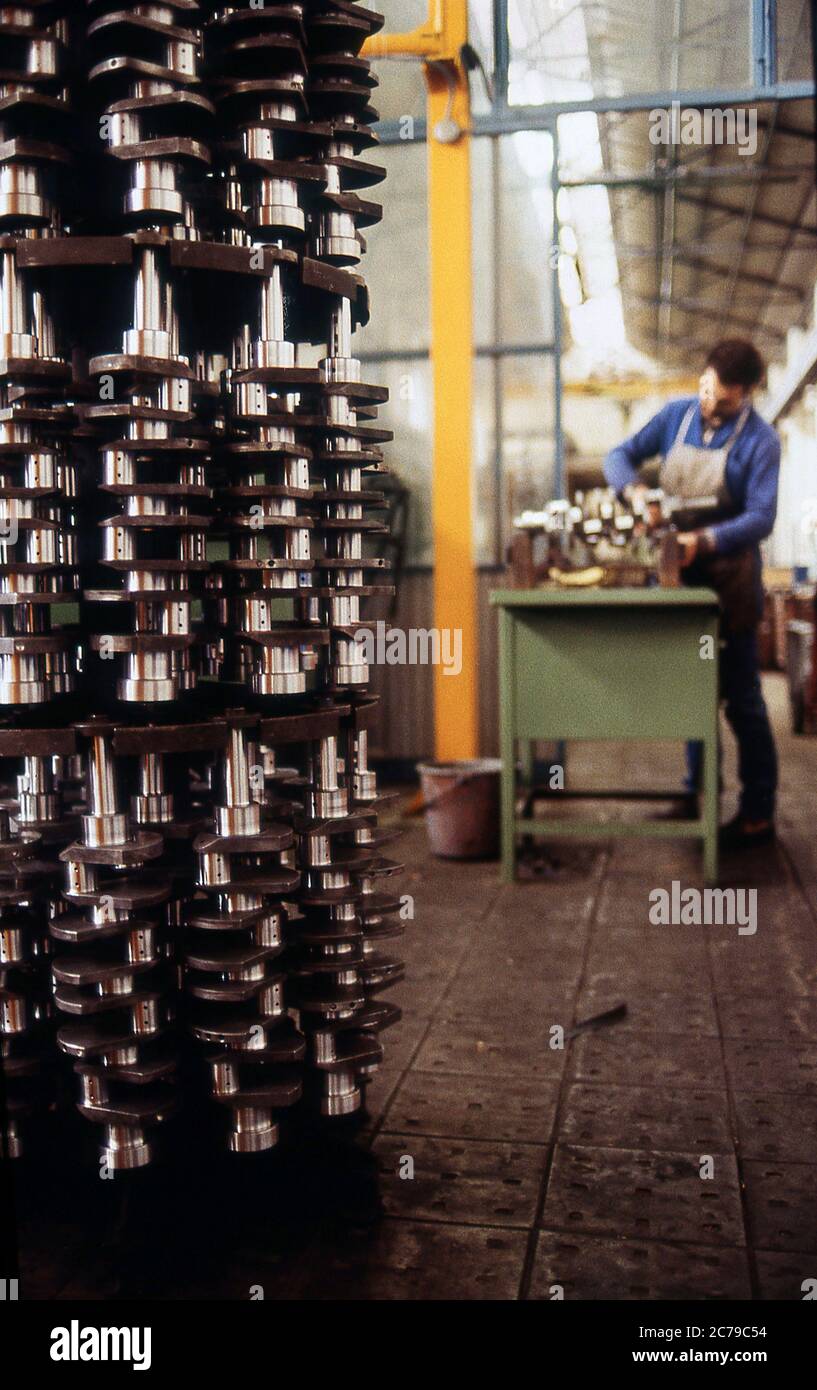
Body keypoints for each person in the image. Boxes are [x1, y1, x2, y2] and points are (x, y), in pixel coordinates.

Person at [603, 339, 781, 850]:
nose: (709, 405)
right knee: (691, 693)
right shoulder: (676, 416)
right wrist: (636, 493)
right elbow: (619, 455)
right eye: (705, 391)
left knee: (742, 700)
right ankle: (695, 795)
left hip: (729, 582)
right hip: (678, 581)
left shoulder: (761, 442)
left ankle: (757, 813)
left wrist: (701, 540)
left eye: (722, 400)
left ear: (745, 394)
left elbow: (761, 517)